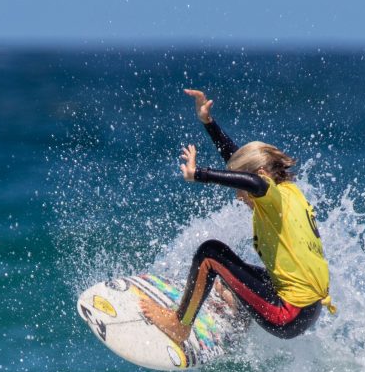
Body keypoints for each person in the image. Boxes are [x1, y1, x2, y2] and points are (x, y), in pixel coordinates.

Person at [139, 89, 335, 345]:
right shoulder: (289, 192)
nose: (238, 196)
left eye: (240, 189)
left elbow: (253, 181)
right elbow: (238, 164)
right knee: (237, 271)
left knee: (210, 253)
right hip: (308, 308)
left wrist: (199, 174)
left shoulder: (270, 193)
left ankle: (179, 325)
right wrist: (208, 123)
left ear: (262, 175)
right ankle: (240, 311)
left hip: (287, 315)